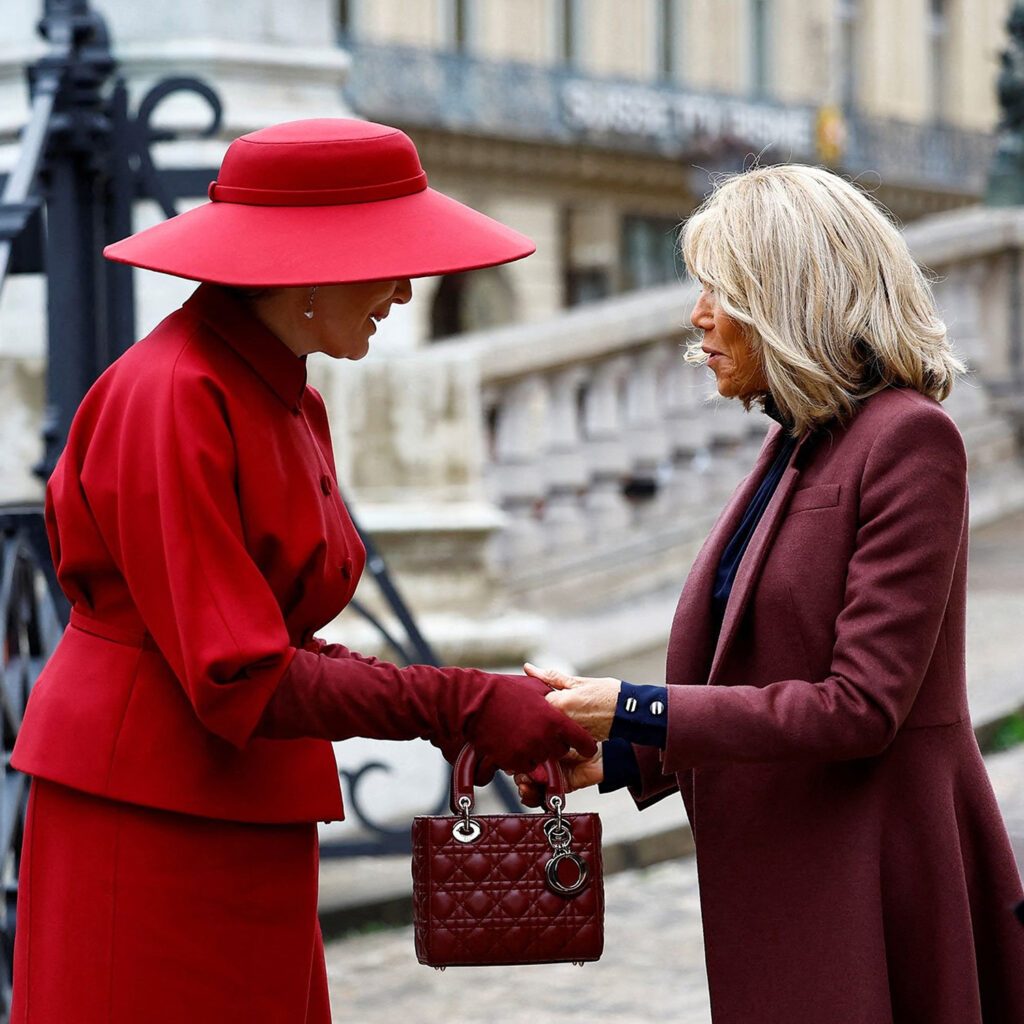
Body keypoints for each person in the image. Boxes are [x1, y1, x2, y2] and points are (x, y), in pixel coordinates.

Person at [10, 118, 596, 1024]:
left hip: (224, 799)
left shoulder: (279, 390)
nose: (406, 290)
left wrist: (464, 702)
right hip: (152, 814)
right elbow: (239, 671)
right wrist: (455, 703)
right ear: (307, 270)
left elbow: (274, 646)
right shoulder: (176, 394)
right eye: (392, 259)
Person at [517, 164, 1024, 1024]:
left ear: (792, 298)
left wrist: (633, 709)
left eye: (722, 288)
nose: (698, 314)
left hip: (875, 873)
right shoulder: (797, 441)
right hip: (795, 865)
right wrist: (621, 754)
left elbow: (860, 705)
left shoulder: (909, 440)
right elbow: (757, 667)